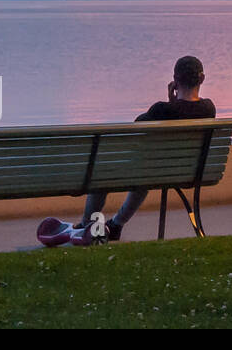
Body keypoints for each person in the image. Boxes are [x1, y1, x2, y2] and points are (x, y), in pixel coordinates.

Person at [70, 55, 216, 244]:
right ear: (202, 79)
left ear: (175, 81)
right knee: (144, 176)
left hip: (152, 172)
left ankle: (87, 226)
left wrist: (170, 101)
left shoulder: (161, 110)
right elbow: (186, 110)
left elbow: (137, 126)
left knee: (104, 173)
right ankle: (116, 224)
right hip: (188, 173)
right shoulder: (208, 109)